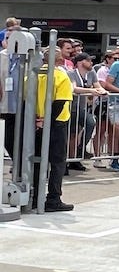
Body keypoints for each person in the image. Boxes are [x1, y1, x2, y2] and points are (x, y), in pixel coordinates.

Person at [34, 55, 74, 211]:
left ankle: (35, 195)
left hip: (35, 122)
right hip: (57, 123)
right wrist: (47, 121)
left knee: (36, 160)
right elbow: (60, 101)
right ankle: (53, 198)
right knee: (57, 162)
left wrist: (38, 120)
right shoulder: (60, 76)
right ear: (60, 61)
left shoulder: (32, 75)